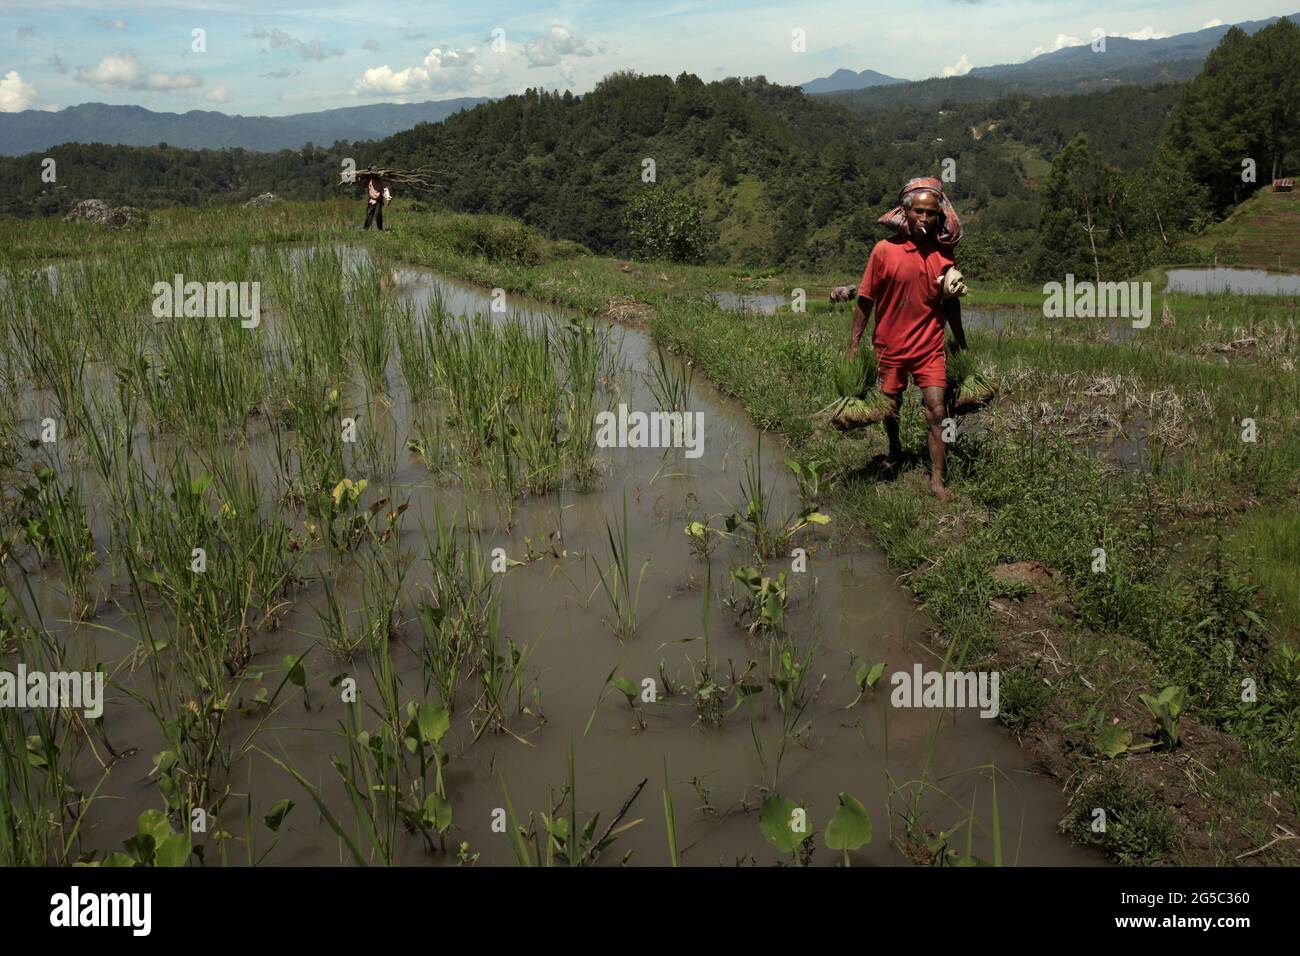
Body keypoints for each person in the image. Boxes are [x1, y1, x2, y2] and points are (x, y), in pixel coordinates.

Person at [848, 176, 968, 500]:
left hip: (929, 346)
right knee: (891, 407)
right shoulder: (884, 251)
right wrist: (855, 344)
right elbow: (865, 299)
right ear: (906, 211)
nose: (925, 219)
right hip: (890, 345)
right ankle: (895, 447)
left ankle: (938, 480)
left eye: (931, 213)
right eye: (919, 212)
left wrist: (960, 341)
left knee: (937, 409)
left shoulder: (944, 256)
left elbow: (951, 303)